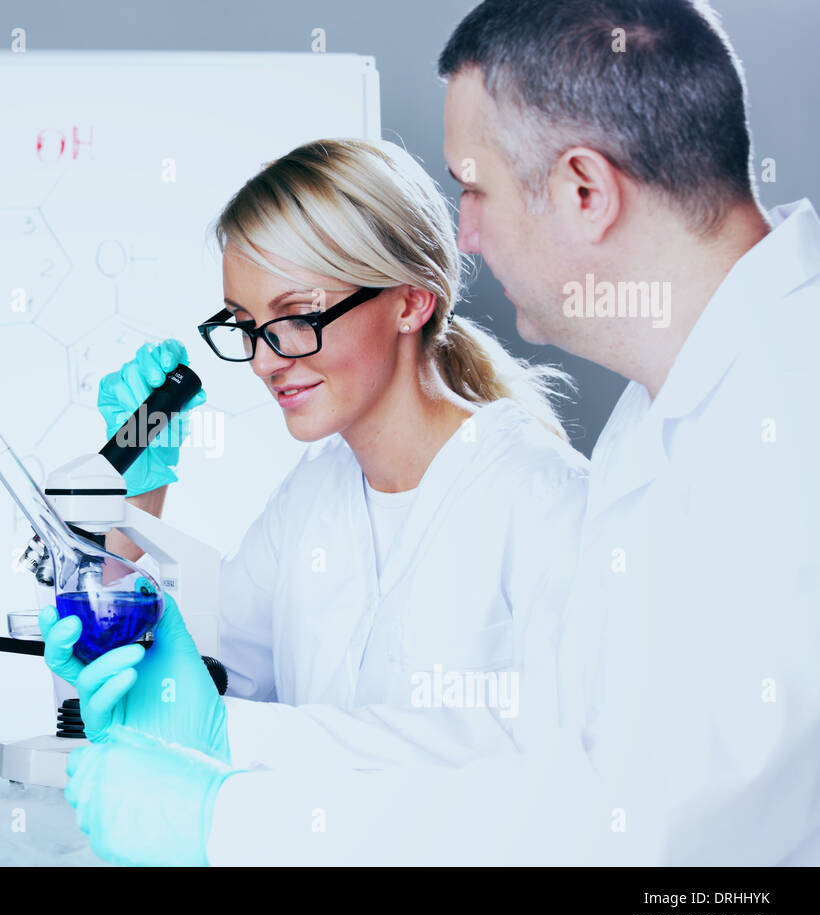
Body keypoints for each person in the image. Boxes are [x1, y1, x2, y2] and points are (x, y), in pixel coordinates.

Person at [61, 0, 820, 866]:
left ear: (584, 190)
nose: (461, 235)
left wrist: (233, 817)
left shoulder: (784, 419)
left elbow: (666, 840)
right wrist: (228, 733)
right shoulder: (662, 422)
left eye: (473, 188)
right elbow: (555, 760)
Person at [43, 136, 589, 821]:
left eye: (297, 316)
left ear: (411, 302)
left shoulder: (546, 500)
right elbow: (200, 683)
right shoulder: (315, 496)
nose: (266, 362)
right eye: (246, 324)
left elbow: (549, 765)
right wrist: (135, 503)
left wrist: (229, 733)